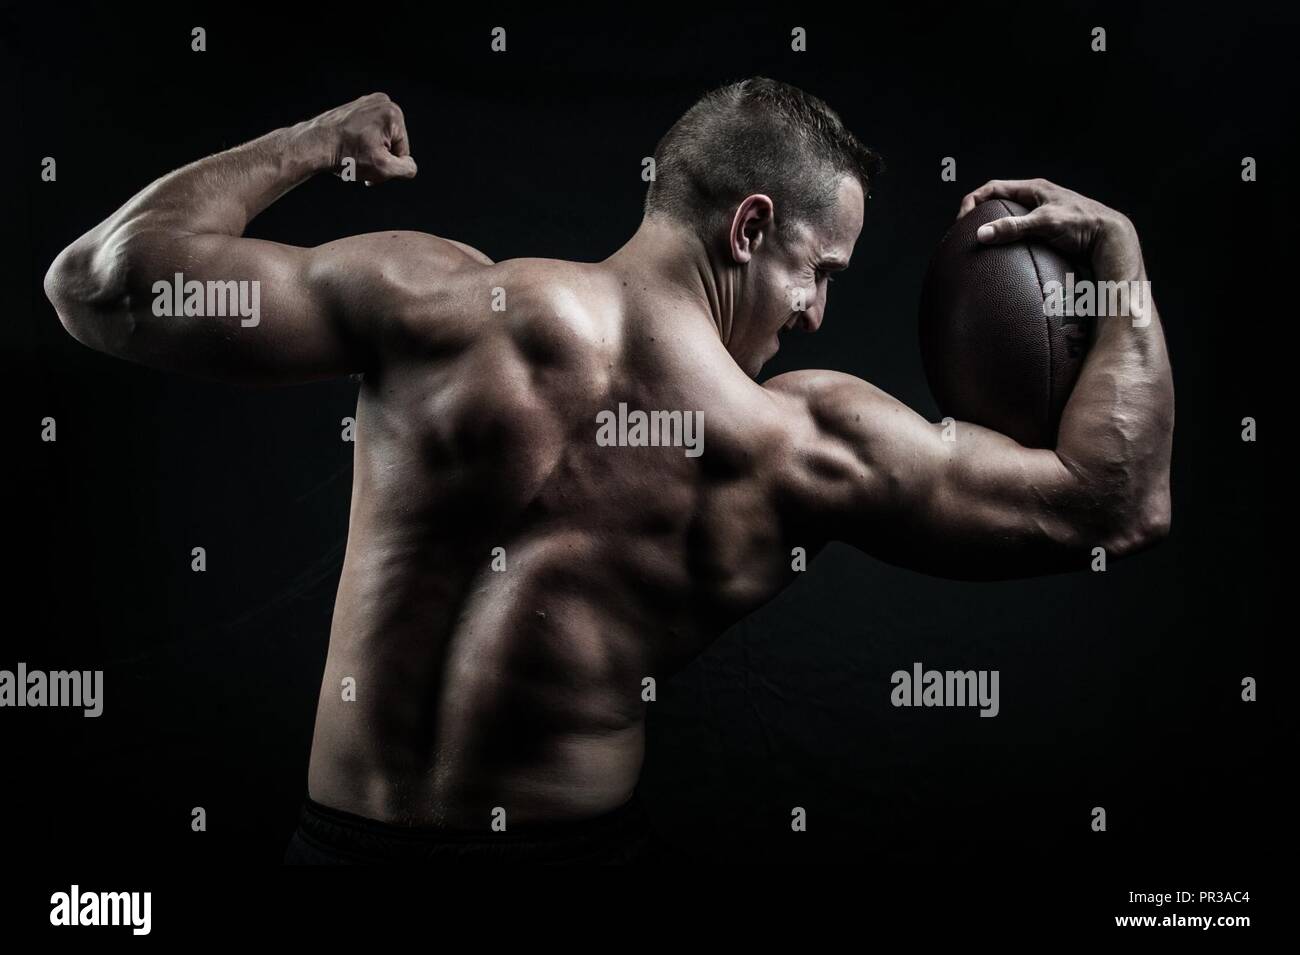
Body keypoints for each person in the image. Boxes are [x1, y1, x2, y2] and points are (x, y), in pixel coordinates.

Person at [44, 78, 1173, 863]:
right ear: (749, 225)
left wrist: (313, 141)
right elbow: (1114, 503)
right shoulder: (803, 445)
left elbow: (97, 282)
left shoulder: (439, 300)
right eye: (814, 271)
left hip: (343, 851)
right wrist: (1118, 262)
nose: (818, 312)